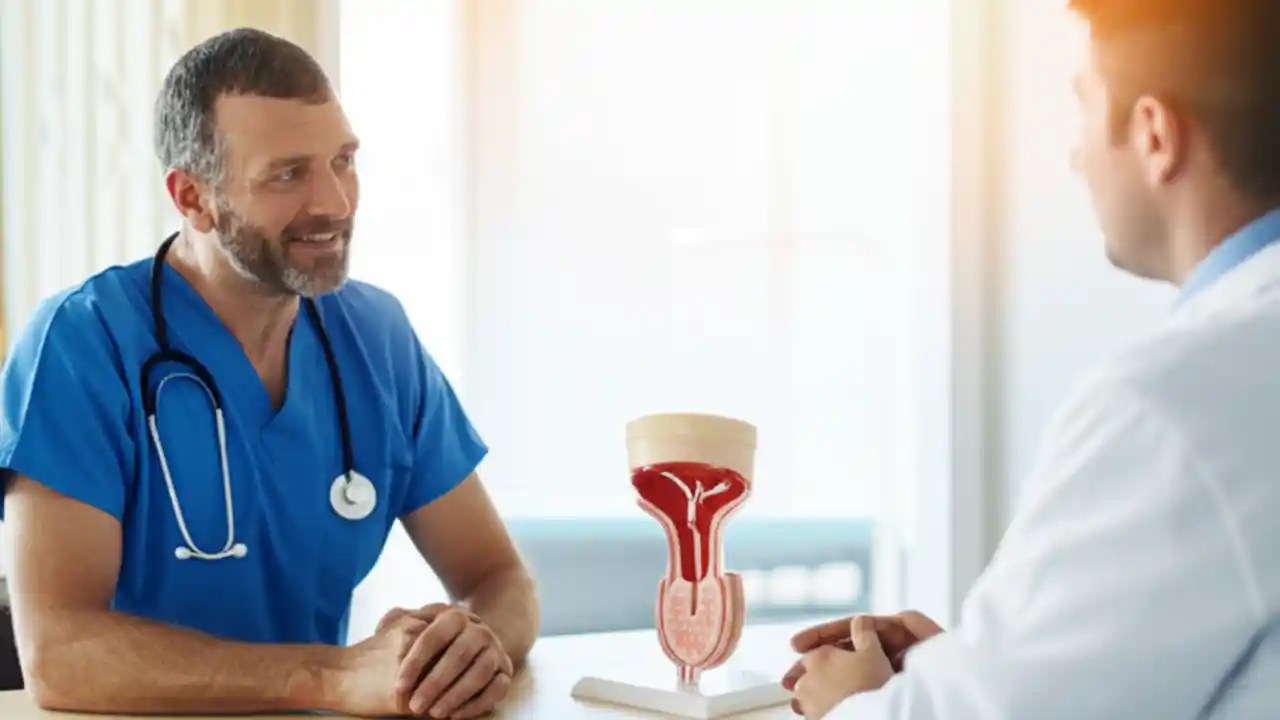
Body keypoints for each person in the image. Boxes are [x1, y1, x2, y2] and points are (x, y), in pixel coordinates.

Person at [0, 28, 538, 719]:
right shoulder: (84, 344)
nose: (335, 202)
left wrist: (469, 648)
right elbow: (61, 655)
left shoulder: (376, 338)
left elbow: (499, 578)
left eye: (343, 161)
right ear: (192, 197)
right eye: (287, 174)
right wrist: (330, 677)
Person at [785, 0, 1280, 717]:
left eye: (1084, 110)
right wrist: (979, 664)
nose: (1076, 158)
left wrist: (857, 703)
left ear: (1154, 135)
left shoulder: (1176, 403)